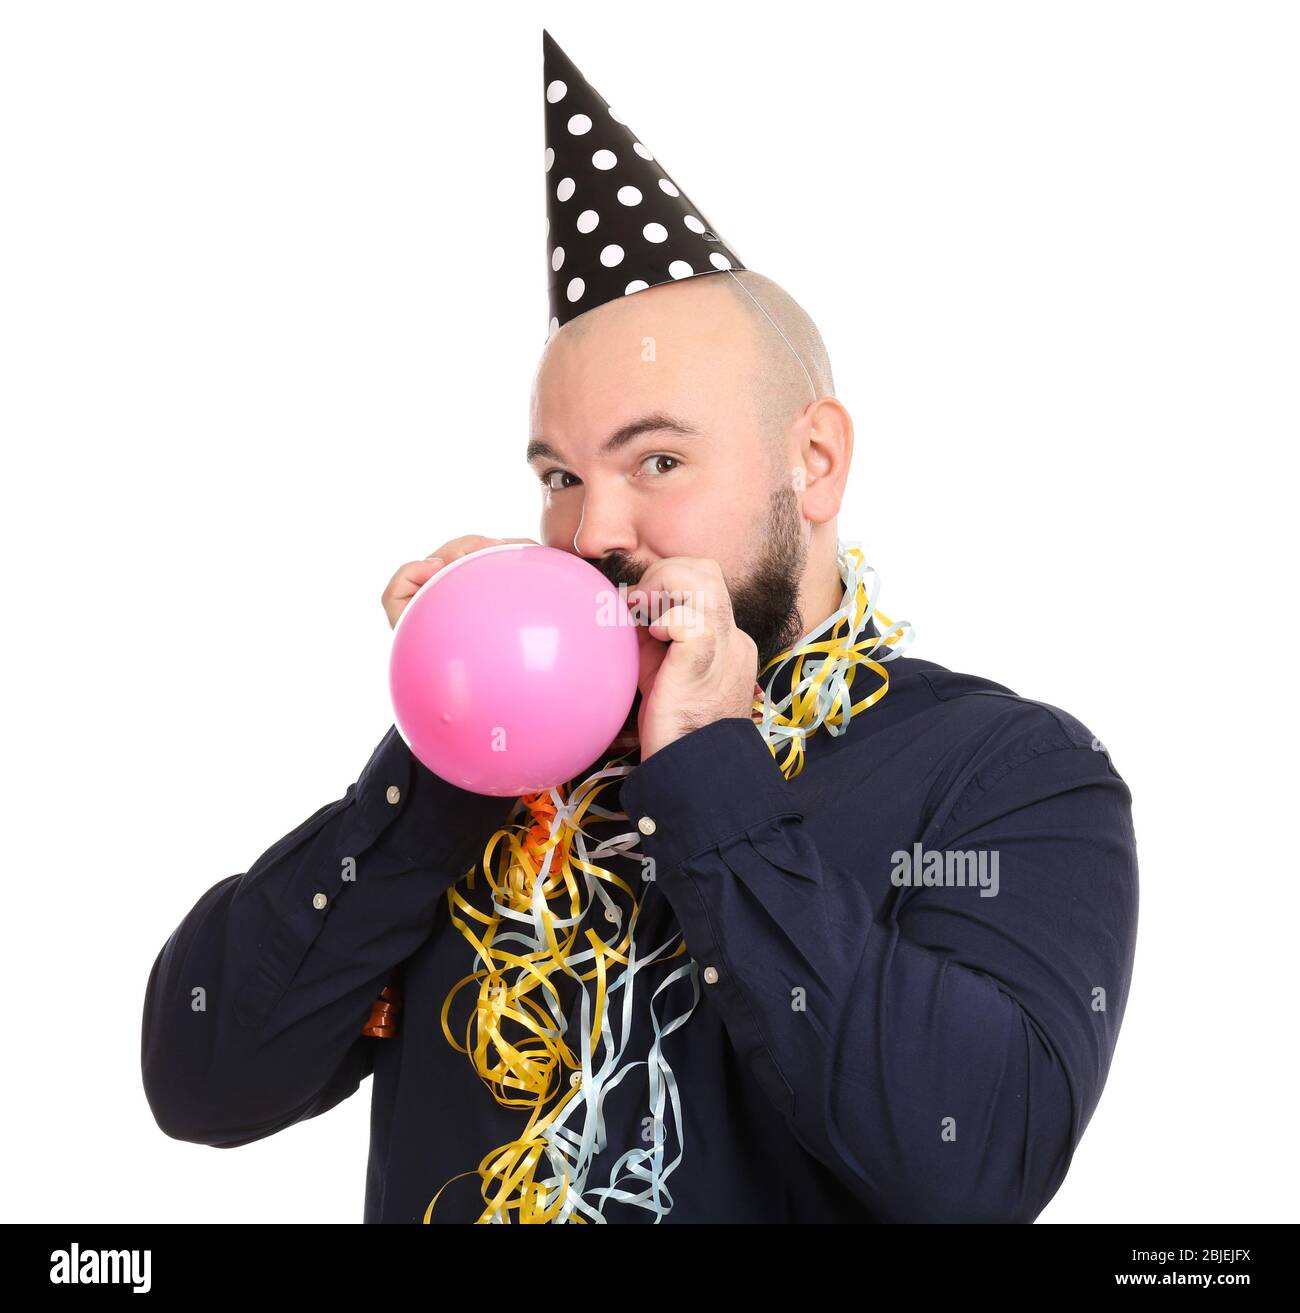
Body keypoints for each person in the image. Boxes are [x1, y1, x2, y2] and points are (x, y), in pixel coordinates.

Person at [140, 31, 1138, 1224]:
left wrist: (711, 781)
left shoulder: (1011, 772)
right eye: (559, 474)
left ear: (812, 460)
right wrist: (453, 752)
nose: (592, 530)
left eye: (656, 458)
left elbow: (974, 1163)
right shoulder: (468, 792)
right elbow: (204, 1079)